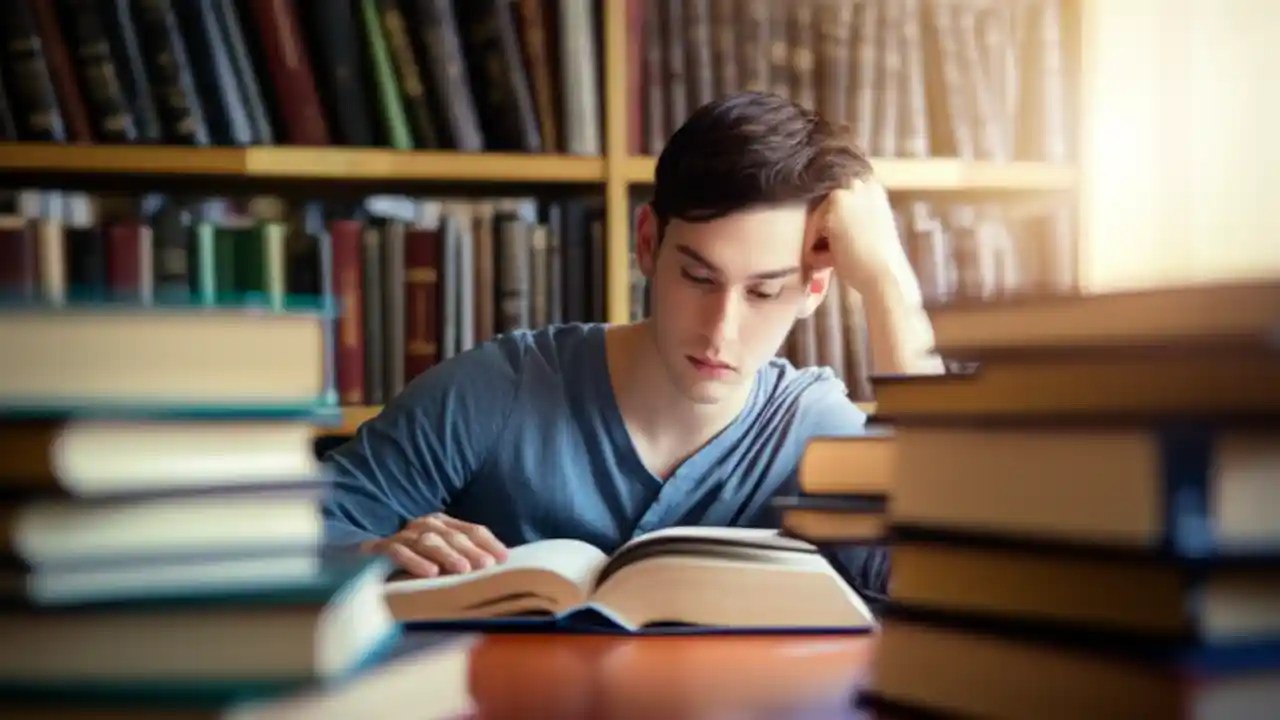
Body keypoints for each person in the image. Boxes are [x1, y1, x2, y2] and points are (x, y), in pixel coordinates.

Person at [320, 92, 943, 603]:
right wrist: (374, 551)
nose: (721, 330)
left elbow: (948, 576)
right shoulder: (494, 389)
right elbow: (283, 537)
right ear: (647, 243)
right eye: (698, 278)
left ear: (813, 288)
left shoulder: (814, 428)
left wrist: (888, 283)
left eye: (763, 293)